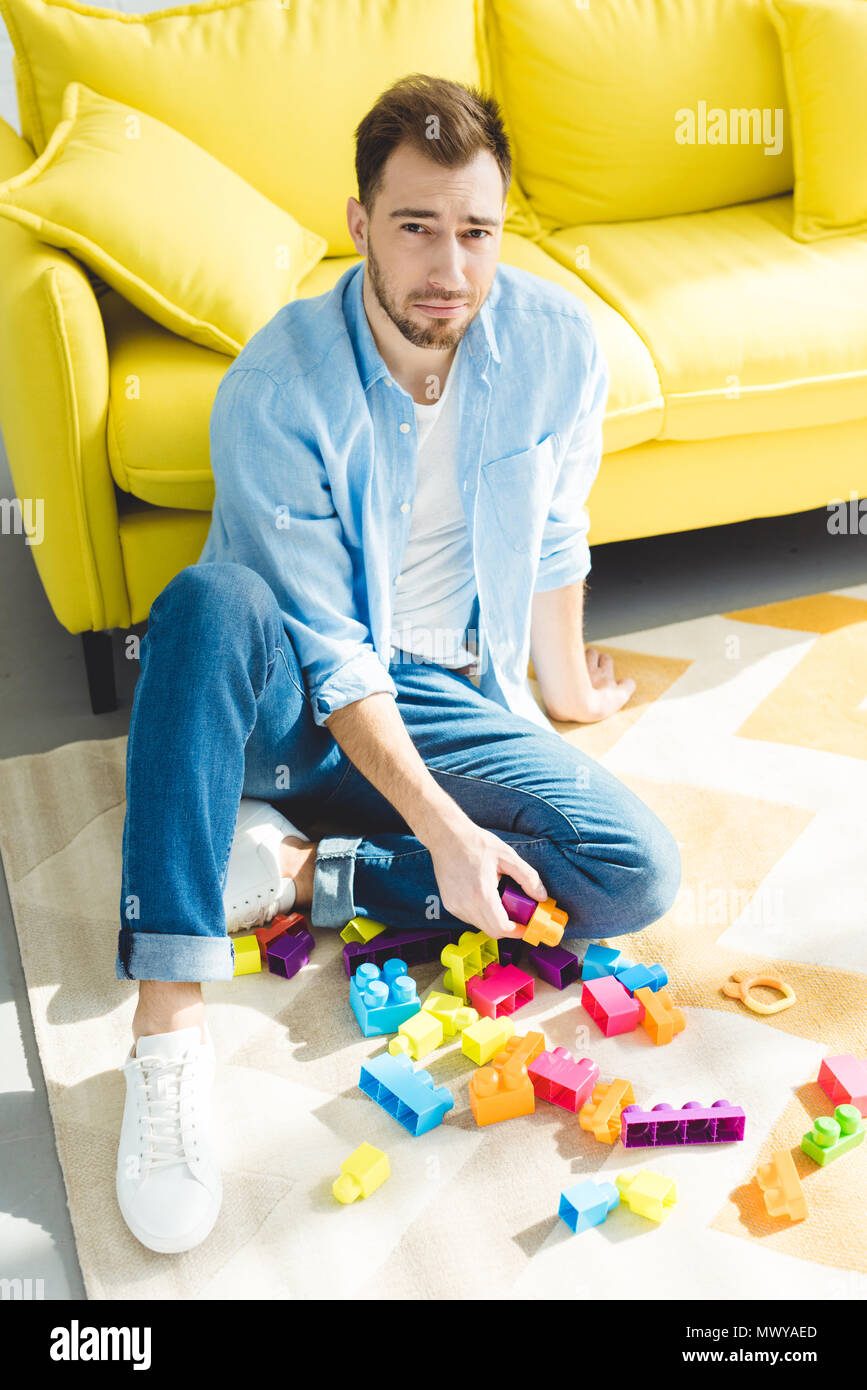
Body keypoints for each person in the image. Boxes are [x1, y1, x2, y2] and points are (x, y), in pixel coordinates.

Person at [114, 74, 681, 1254]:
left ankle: (325, 870)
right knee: (205, 603)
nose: (451, 267)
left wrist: (560, 691)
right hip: (292, 698)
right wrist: (450, 830)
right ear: (360, 220)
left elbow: (559, 531)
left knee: (635, 873)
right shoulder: (276, 387)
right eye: (417, 225)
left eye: (477, 231)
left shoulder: (558, 345)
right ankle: (167, 1032)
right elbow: (329, 654)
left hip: (441, 690)